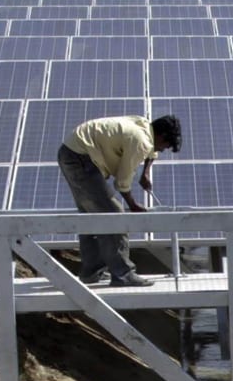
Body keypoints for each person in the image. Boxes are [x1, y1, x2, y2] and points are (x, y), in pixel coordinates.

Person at [57, 112, 181, 288]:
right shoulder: (140, 141)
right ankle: (123, 274)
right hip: (81, 159)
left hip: (72, 152)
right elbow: (122, 182)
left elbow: (151, 151)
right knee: (115, 215)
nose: (162, 150)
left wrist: (145, 172)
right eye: (165, 145)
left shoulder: (143, 126)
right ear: (161, 135)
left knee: (92, 216)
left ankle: (91, 271)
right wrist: (133, 205)